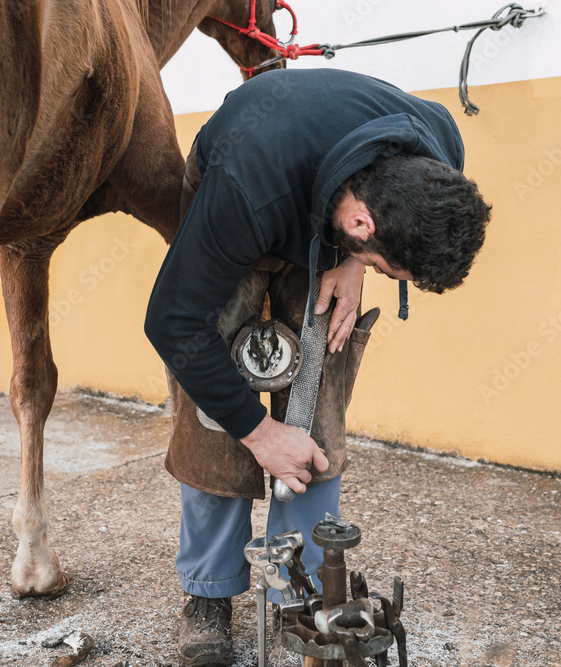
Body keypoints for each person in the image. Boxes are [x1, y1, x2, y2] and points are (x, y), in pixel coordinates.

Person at [144, 67, 490, 665]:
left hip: (335, 213)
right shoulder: (244, 191)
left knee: (317, 403)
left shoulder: (436, 149)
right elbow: (173, 322)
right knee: (214, 412)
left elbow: (390, 212)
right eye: (387, 268)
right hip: (246, 184)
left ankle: (302, 591)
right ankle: (207, 594)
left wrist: (352, 262)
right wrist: (258, 432)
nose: (382, 274)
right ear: (363, 223)